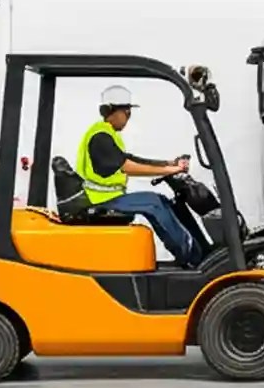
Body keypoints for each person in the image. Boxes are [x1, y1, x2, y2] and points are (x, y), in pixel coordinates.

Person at [76, 85, 203, 267]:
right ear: (111, 111)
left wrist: (168, 163)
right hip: (99, 199)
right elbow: (127, 166)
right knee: (154, 204)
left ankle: (186, 253)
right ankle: (191, 257)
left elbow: (130, 159)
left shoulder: (107, 133)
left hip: (106, 197)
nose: (128, 116)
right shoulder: (100, 136)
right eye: (126, 111)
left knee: (161, 201)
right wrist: (169, 171)